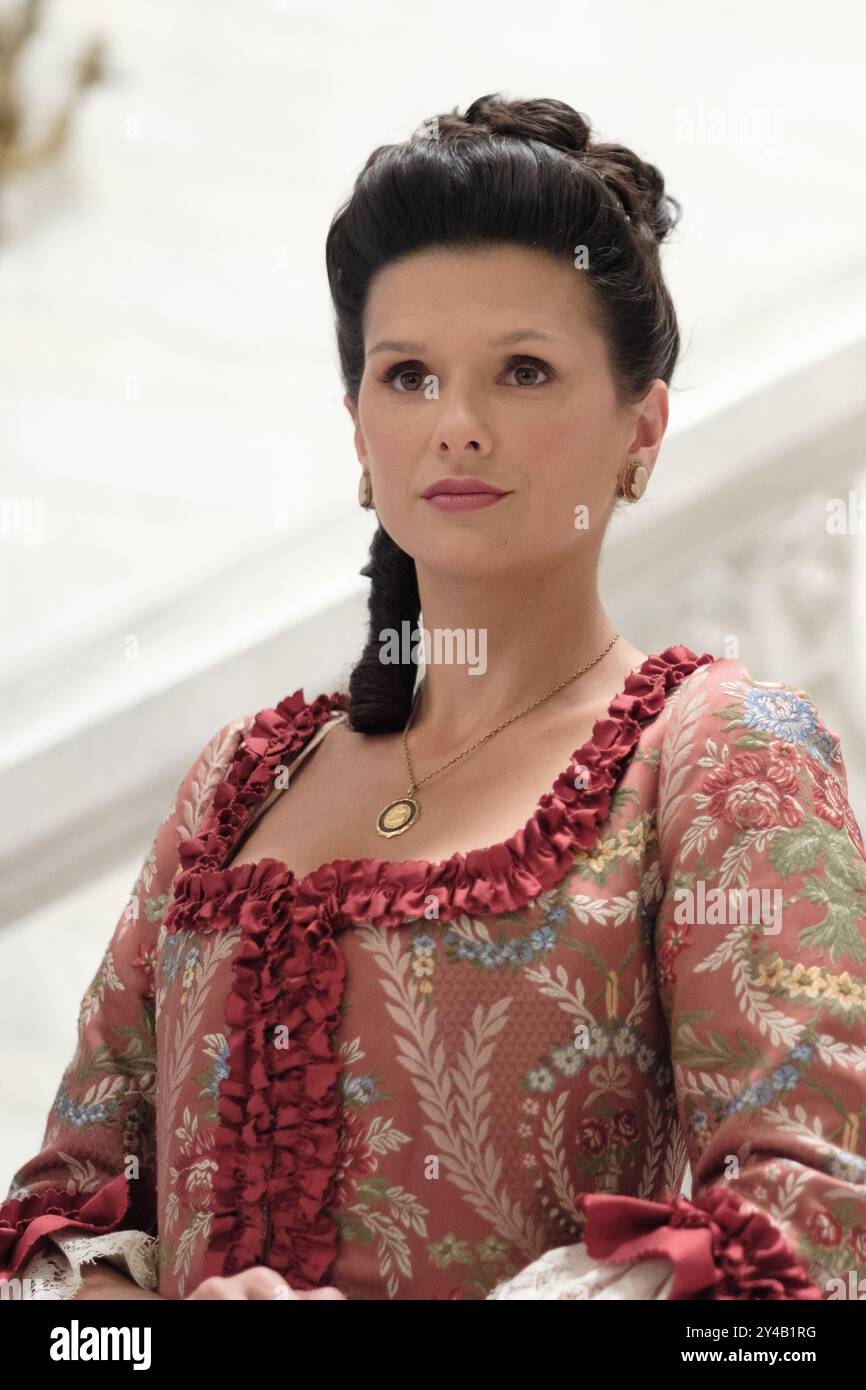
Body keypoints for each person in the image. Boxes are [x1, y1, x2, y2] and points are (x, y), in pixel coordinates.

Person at [3, 93, 865, 1301]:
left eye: (522, 370)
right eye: (406, 375)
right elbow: (53, 1224)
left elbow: (809, 1253)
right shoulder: (237, 783)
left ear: (642, 426)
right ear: (358, 431)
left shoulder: (722, 759)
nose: (454, 427)